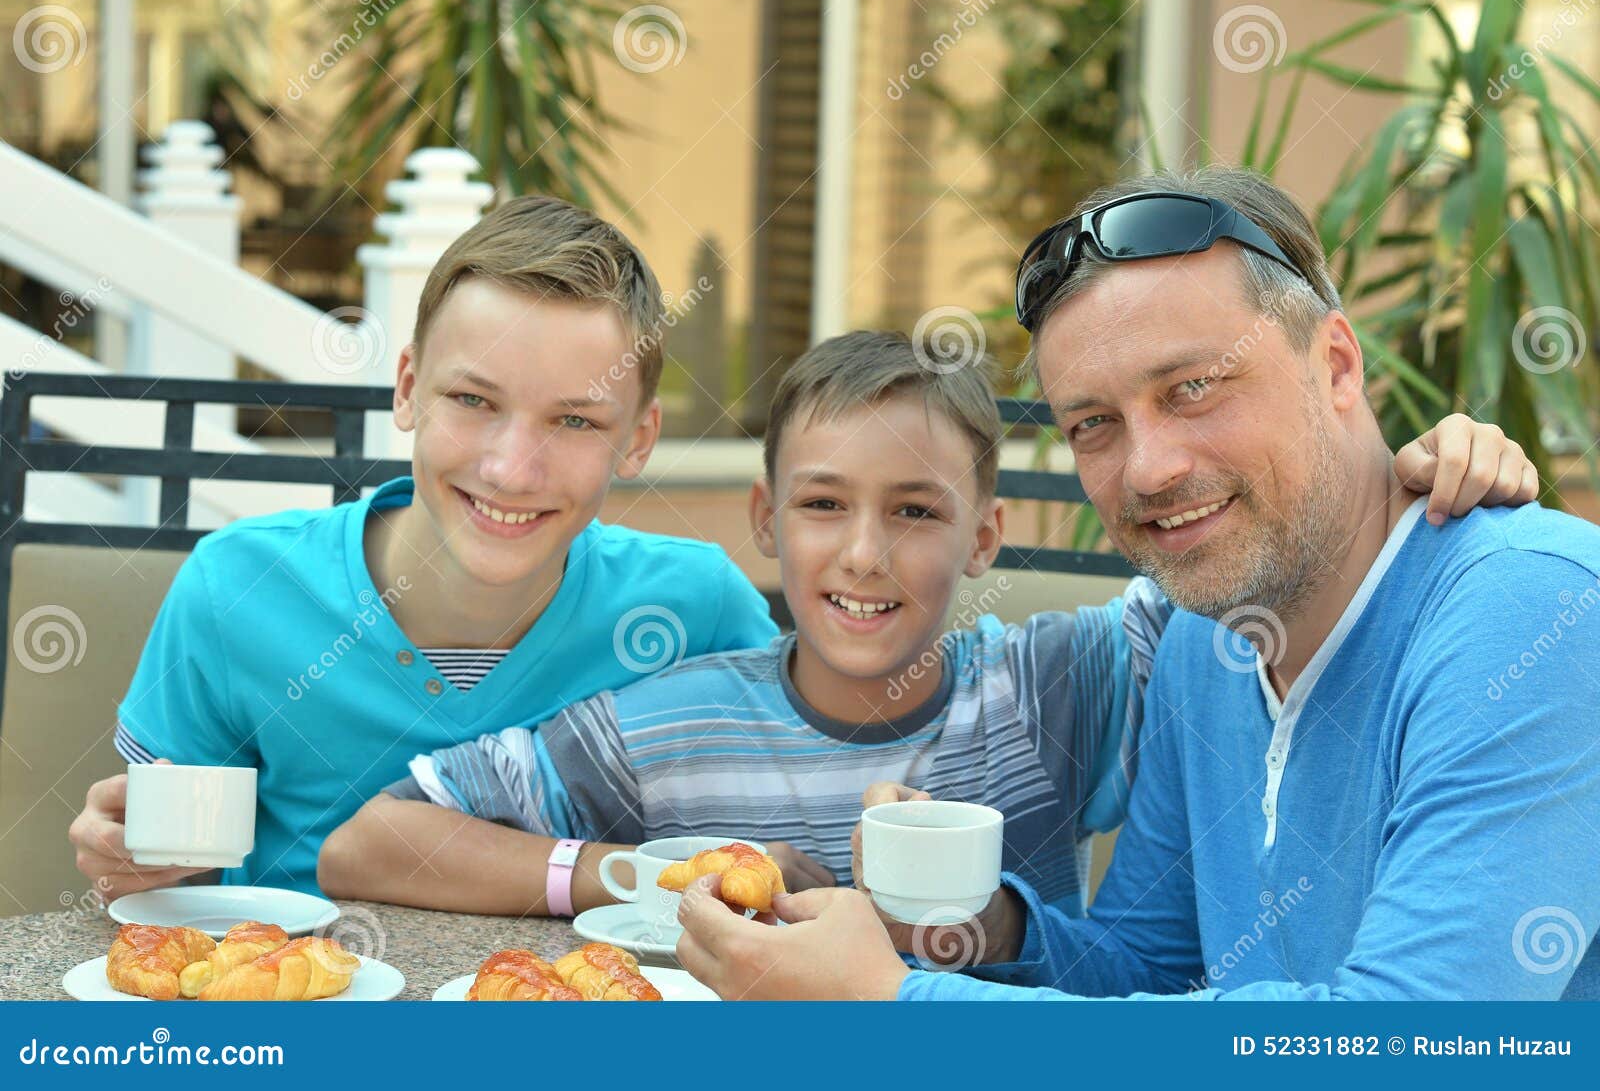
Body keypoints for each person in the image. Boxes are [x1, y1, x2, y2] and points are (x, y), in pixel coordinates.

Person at [673, 166, 1600, 1002]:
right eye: (1092, 423)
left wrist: (891, 1005)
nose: (1148, 468)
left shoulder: (1535, 608)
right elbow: (1149, 971)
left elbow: (1408, 1048)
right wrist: (974, 926)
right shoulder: (1213, 633)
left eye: (1193, 386)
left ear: (1337, 364)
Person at [319, 326, 1532, 920]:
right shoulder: (665, 722)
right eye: (822, 506)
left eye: (914, 512)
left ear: (985, 538)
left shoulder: (1060, 683)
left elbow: (1263, 562)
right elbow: (366, 845)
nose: (861, 554)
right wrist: (650, 870)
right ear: (764, 522)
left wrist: (1423, 468)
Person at [67, 196, 777, 900]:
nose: (510, 468)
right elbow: (171, 894)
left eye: (572, 419)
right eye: (473, 400)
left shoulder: (699, 614)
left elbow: (794, 822)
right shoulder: (238, 588)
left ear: (640, 439)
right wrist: (130, 859)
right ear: (408, 388)